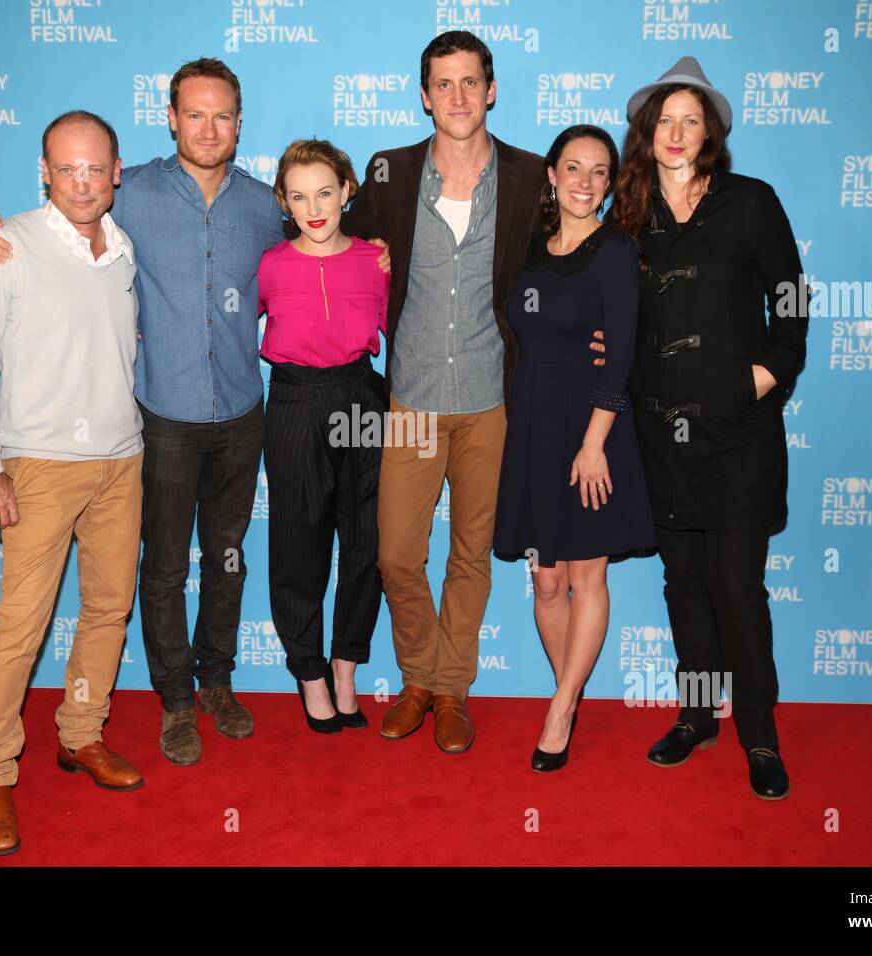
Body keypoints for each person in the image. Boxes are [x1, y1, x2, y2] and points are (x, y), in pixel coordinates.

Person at [0, 59, 285, 768]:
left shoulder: (266, 206)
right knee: (160, 571)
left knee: (224, 562)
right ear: (170, 118)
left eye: (222, 115)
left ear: (239, 121)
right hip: (159, 419)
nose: (208, 128)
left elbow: (322, 250)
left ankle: (213, 683)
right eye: (193, 114)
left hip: (237, 414)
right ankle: (173, 702)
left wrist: (376, 253)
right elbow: (33, 244)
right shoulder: (125, 192)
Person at [343, 30, 606, 753]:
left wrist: (602, 323)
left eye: (470, 83)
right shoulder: (390, 172)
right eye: (443, 84)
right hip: (412, 402)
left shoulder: (528, 175)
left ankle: (450, 689)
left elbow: (574, 250)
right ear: (424, 96)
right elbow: (323, 236)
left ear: (490, 91)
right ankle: (418, 675)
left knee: (471, 552)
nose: (458, 97)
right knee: (398, 553)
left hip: (495, 399)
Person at [595, 57, 808, 799]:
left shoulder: (750, 203)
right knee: (683, 585)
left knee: (735, 588)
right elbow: (608, 312)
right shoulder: (628, 216)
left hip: (739, 432)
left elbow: (790, 299)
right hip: (660, 434)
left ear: (710, 133)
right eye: (665, 120)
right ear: (646, 134)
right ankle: (697, 716)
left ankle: (758, 732)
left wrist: (768, 374)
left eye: (692, 120)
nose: (677, 133)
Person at [0, 110, 144, 856]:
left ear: (117, 171)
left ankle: (79, 735)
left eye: (96, 169)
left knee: (105, 612)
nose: (84, 183)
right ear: (44, 172)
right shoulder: (5, 247)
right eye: (68, 169)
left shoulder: (124, 250)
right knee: (19, 626)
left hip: (123, 461)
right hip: (36, 465)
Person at [493, 125, 657, 772]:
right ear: (552, 177)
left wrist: (594, 447)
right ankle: (572, 687)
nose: (585, 183)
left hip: (594, 433)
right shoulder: (529, 250)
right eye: (573, 168)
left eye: (599, 171)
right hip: (534, 428)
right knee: (545, 577)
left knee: (587, 575)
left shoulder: (615, 252)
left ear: (610, 183)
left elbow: (617, 362)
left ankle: (559, 709)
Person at [259, 140, 390, 733]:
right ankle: (308, 670)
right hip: (294, 400)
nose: (314, 207)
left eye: (325, 192)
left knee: (366, 541)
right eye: (299, 195)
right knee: (298, 542)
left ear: (346, 192)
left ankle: (345, 664)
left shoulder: (377, 261)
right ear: (284, 202)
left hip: (361, 395)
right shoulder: (268, 264)